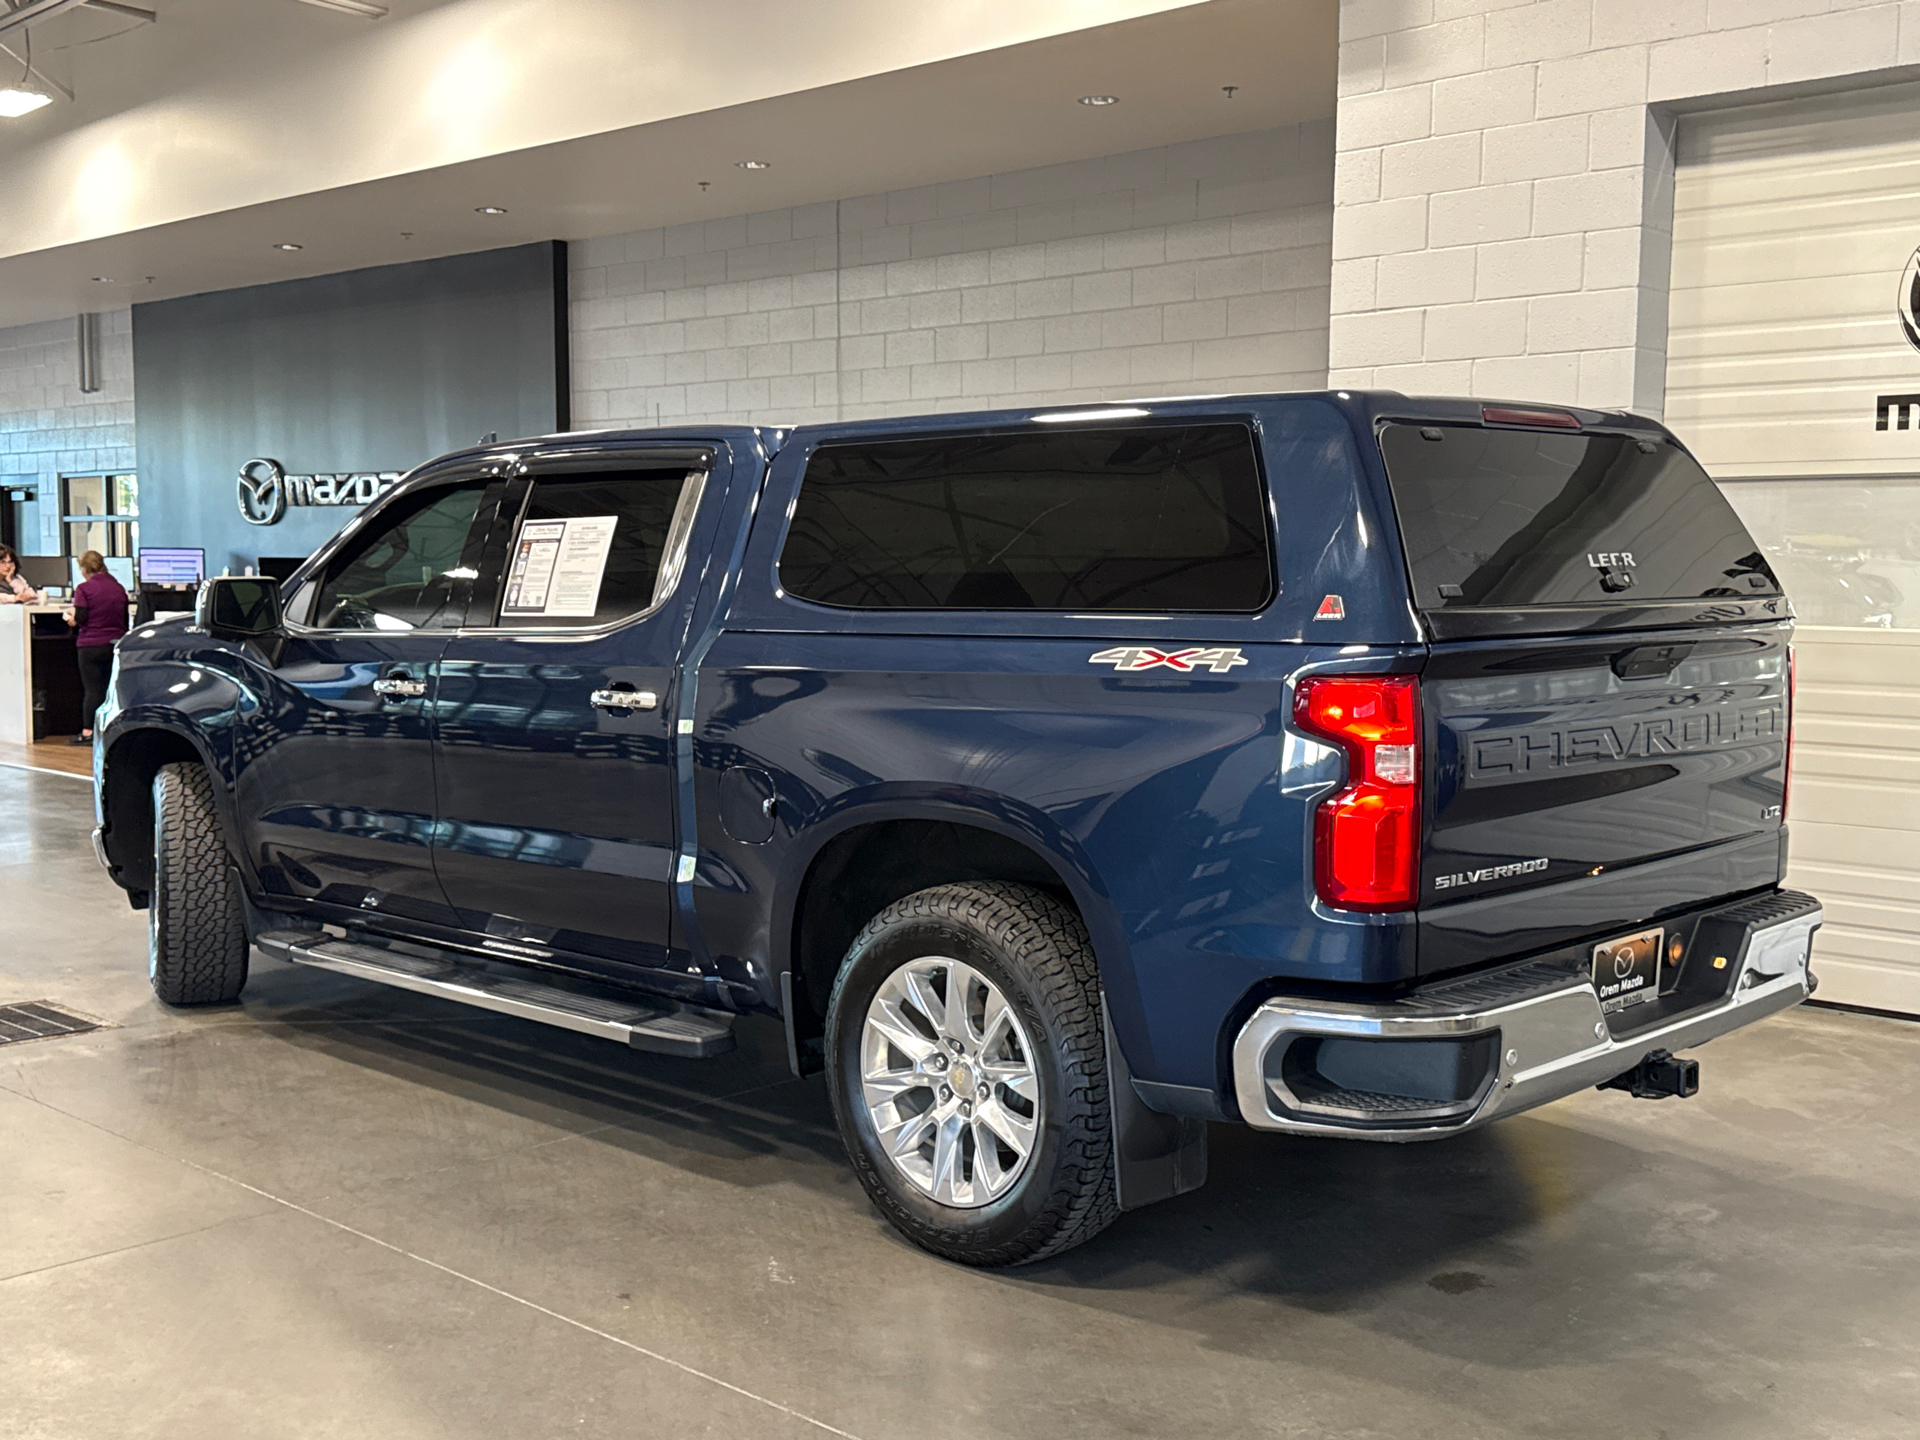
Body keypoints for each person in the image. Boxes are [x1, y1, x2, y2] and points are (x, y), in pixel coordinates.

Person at [66, 550, 129, 746]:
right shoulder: (119, 588)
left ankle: (87, 732)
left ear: (85, 569)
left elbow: (82, 617)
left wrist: (72, 619)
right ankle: (110, 730)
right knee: (111, 690)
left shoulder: (83, 589)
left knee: (93, 690)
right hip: (114, 645)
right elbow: (124, 620)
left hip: (90, 645)